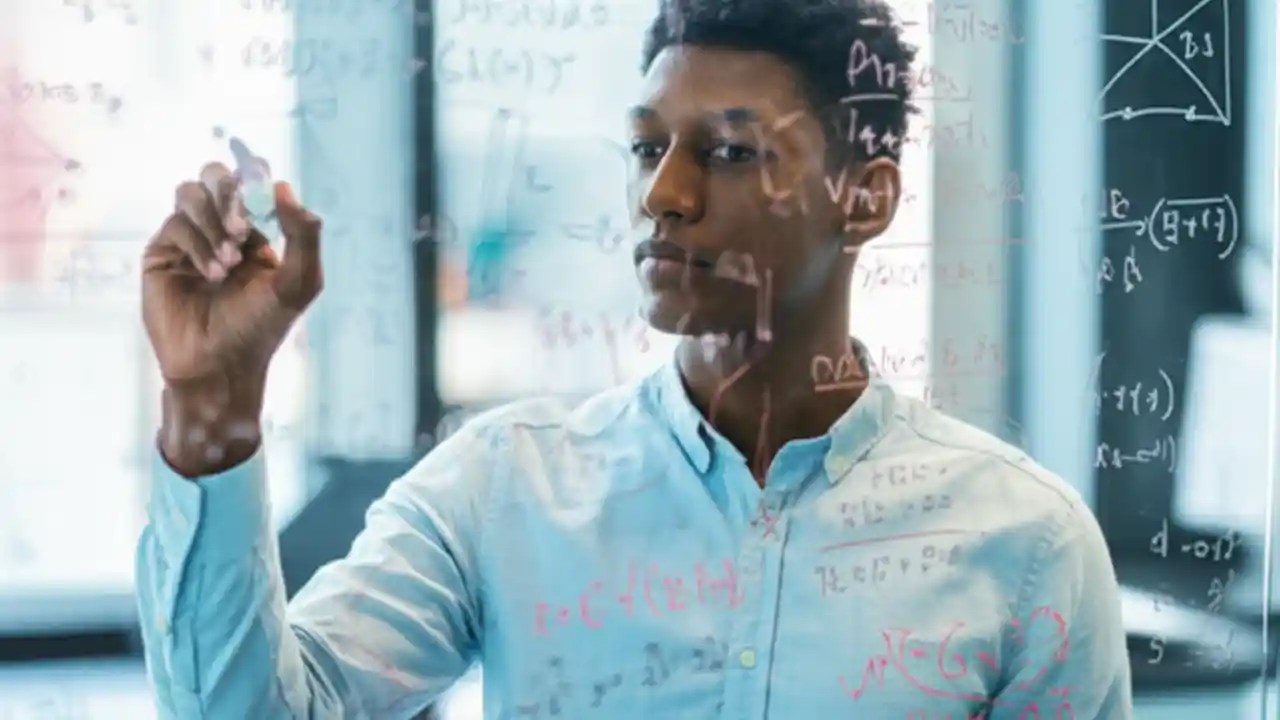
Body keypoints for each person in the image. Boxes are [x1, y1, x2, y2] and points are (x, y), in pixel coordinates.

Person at [135, 0, 1133, 717]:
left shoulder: (1026, 543)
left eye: (729, 151)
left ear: (862, 197)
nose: (662, 193)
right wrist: (210, 409)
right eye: (646, 147)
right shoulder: (502, 486)